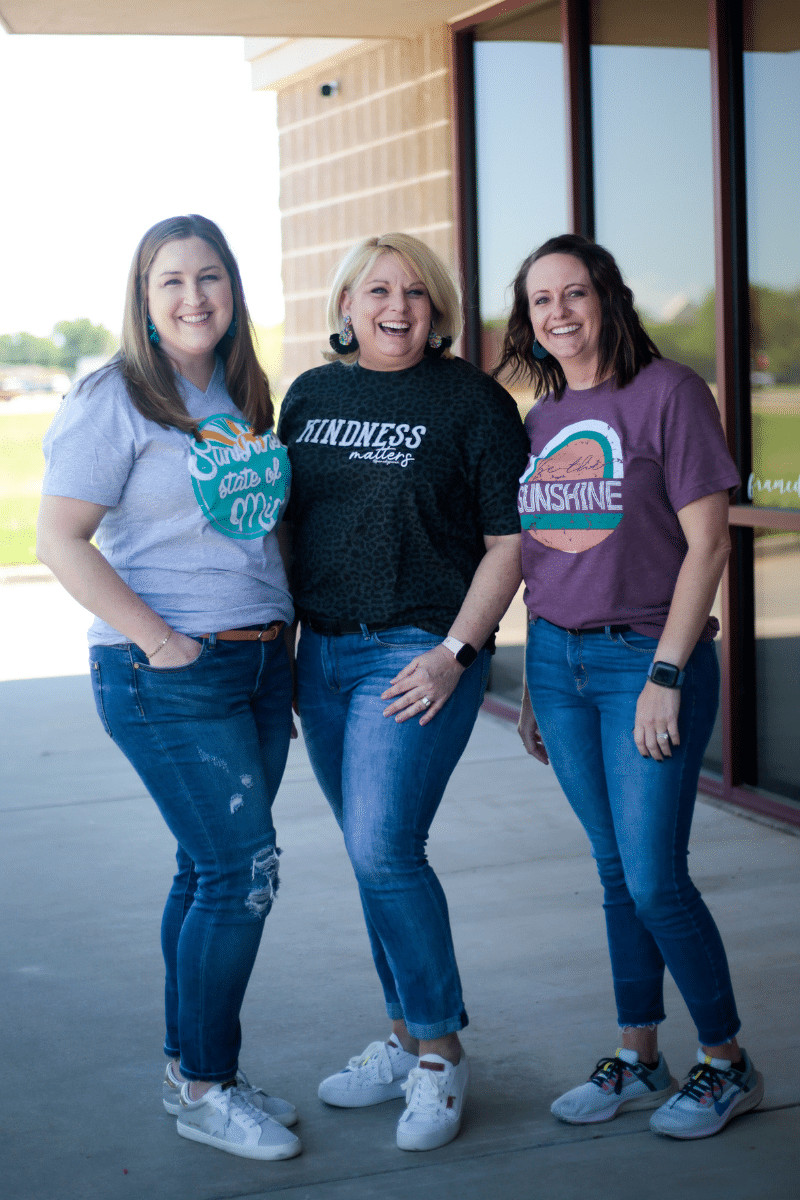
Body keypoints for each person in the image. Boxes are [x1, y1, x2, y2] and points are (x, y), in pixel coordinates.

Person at [37, 214, 302, 1162]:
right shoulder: (115, 398)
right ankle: (205, 1086)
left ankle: (192, 1067)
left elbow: (255, 533)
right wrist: (162, 643)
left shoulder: (239, 391)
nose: (194, 298)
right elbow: (58, 538)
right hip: (171, 672)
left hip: (262, 664)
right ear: (144, 304)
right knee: (243, 874)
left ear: (233, 292)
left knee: (209, 871)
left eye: (211, 278)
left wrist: (287, 647)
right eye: (171, 282)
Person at [495, 233, 764, 1140]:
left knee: (655, 879)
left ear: (608, 299)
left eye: (575, 293)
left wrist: (666, 673)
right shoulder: (538, 420)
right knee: (615, 874)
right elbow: (543, 558)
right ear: (526, 321)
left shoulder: (671, 395)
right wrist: (535, 678)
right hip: (560, 667)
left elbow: (711, 545)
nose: (560, 313)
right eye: (541, 301)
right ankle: (639, 1055)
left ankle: (726, 1062)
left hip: (645, 661)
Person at [277, 232, 529, 1151]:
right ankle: (401, 1035)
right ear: (346, 304)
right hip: (324, 659)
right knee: (365, 854)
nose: (398, 305)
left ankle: (441, 1054)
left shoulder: (476, 404)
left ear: (440, 309)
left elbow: (510, 542)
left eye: (418, 292)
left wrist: (458, 653)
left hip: (422, 652)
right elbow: (279, 522)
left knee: (386, 846)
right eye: (378, 289)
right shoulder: (310, 396)